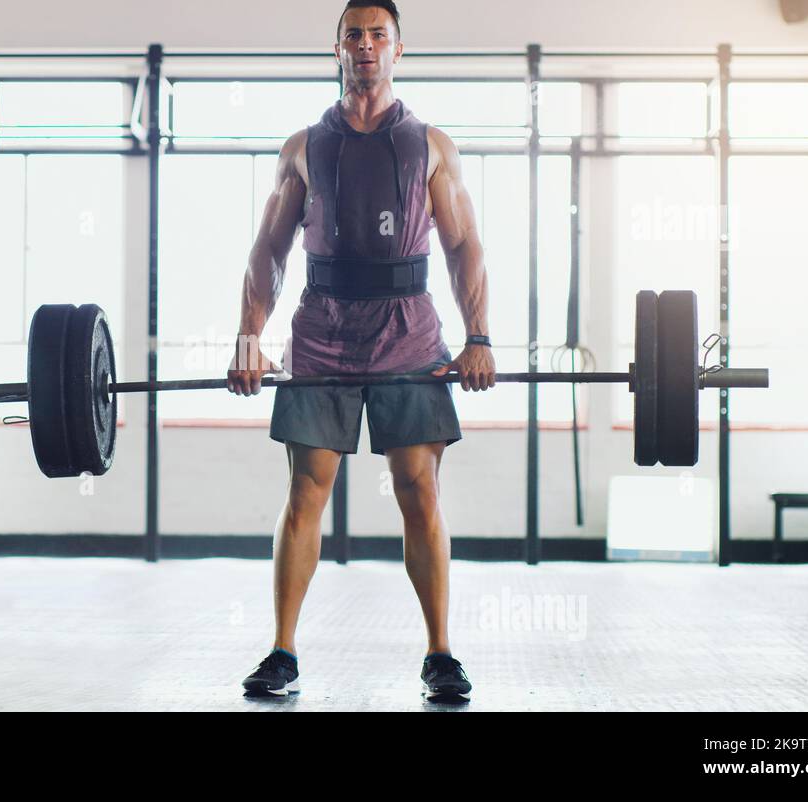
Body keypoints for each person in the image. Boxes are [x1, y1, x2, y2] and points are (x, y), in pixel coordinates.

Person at [226, 0, 494, 700]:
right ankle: (282, 652)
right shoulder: (302, 147)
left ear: (399, 50)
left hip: (410, 331)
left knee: (419, 492)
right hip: (323, 333)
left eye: (379, 36)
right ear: (337, 49)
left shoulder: (432, 145)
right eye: (354, 36)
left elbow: (464, 246)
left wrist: (480, 338)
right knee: (305, 492)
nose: (366, 47)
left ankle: (440, 655)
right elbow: (269, 251)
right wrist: (251, 336)